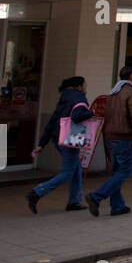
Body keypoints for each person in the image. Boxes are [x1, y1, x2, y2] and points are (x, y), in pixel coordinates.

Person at [86, 67, 132, 217]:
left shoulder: (113, 92)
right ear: (131, 76)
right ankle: (96, 196)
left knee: (116, 172)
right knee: (125, 170)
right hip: (123, 136)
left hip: (110, 136)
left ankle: (117, 206)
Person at [27, 76, 90, 213]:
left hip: (58, 138)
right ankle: (37, 192)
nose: (86, 88)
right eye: (85, 85)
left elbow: (52, 121)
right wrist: (92, 112)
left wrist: (41, 144)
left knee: (76, 168)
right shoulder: (79, 98)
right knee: (67, 172)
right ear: (79, 86)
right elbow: (77, 117)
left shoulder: (64, 98)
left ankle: (74, 200)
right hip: (71, 139)